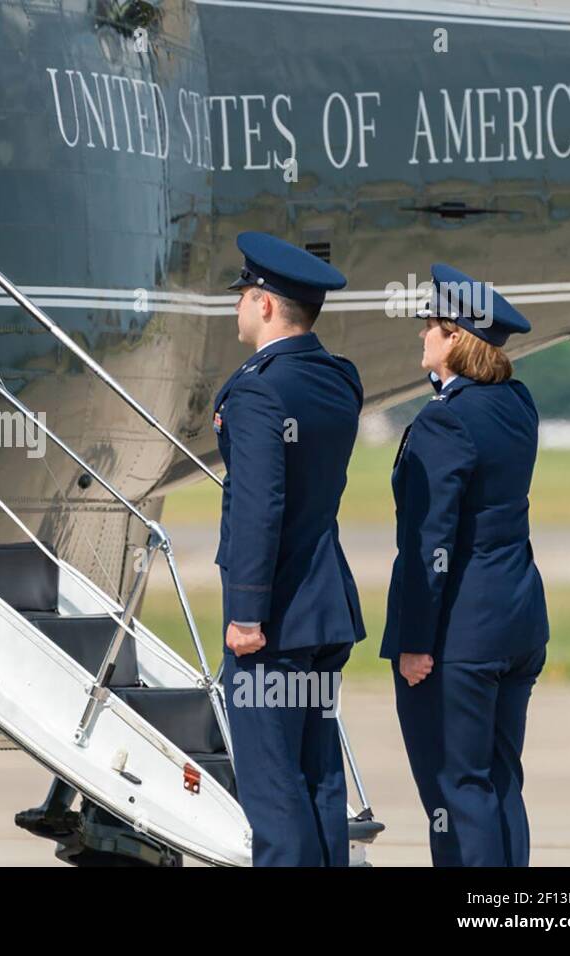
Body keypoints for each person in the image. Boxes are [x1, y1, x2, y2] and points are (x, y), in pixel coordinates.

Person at [383, 264, 548, 867]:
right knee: (500, 782)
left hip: (460, 634)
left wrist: (416, 640)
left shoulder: (445, 418)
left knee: (457, 790)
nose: (422, 335)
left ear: (454, 336)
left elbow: (431, 543)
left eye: (431, 324)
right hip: (518, 620)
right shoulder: (516, 403)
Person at [214, 231, 365, 866]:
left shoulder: (258, 390)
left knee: (275, 799)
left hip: (274, 620)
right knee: (319, 783)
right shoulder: (337, 380)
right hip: (323, 608)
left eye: (245, 296)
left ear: (267, 305)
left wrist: (247, 611)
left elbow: (258, 507)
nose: (239, 308)